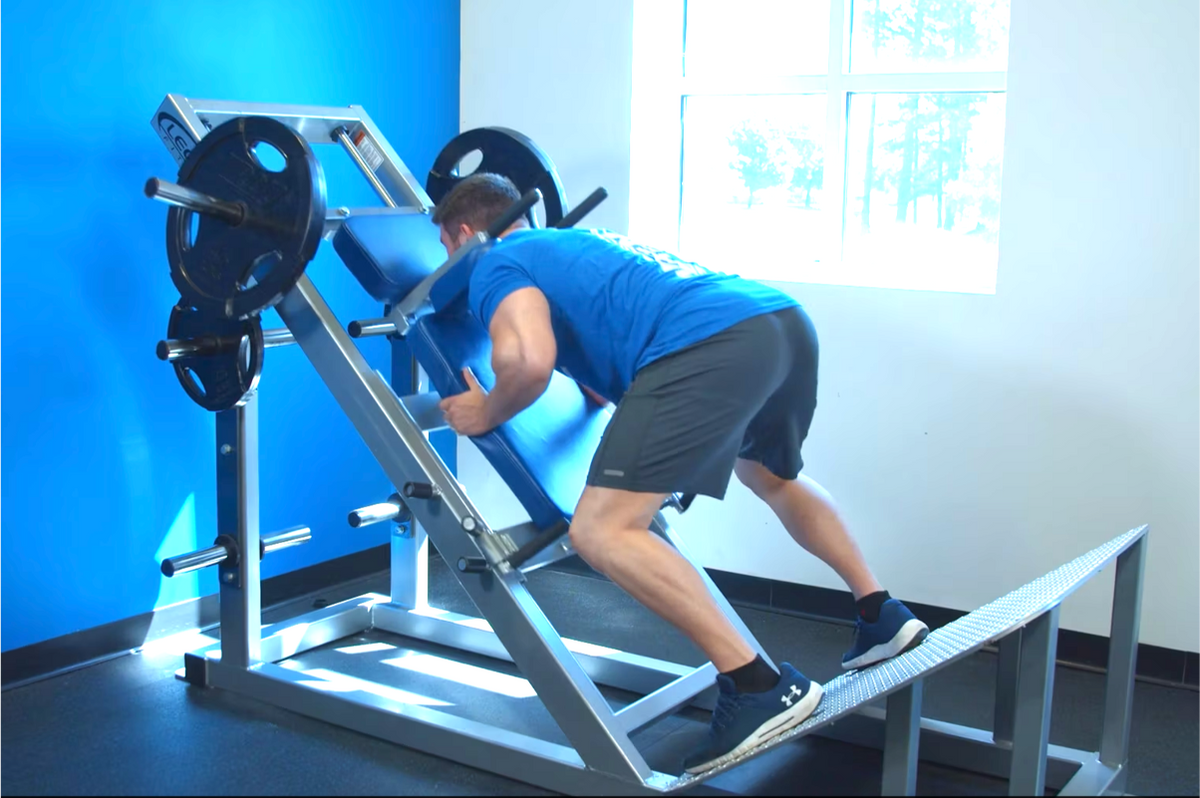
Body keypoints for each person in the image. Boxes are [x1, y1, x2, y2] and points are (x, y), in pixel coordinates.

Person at [434, 174, 929, 774]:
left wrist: (484, 410)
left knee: (601, 531)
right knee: (770, 476)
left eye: (445, 248)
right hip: (777, 321)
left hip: (707, 342)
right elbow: (603, 341)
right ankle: (880, 614)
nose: (447, 263)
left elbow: (528, 362)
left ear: (466, 234)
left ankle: (758, 686)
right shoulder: (575, 244)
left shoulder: (495, 261)